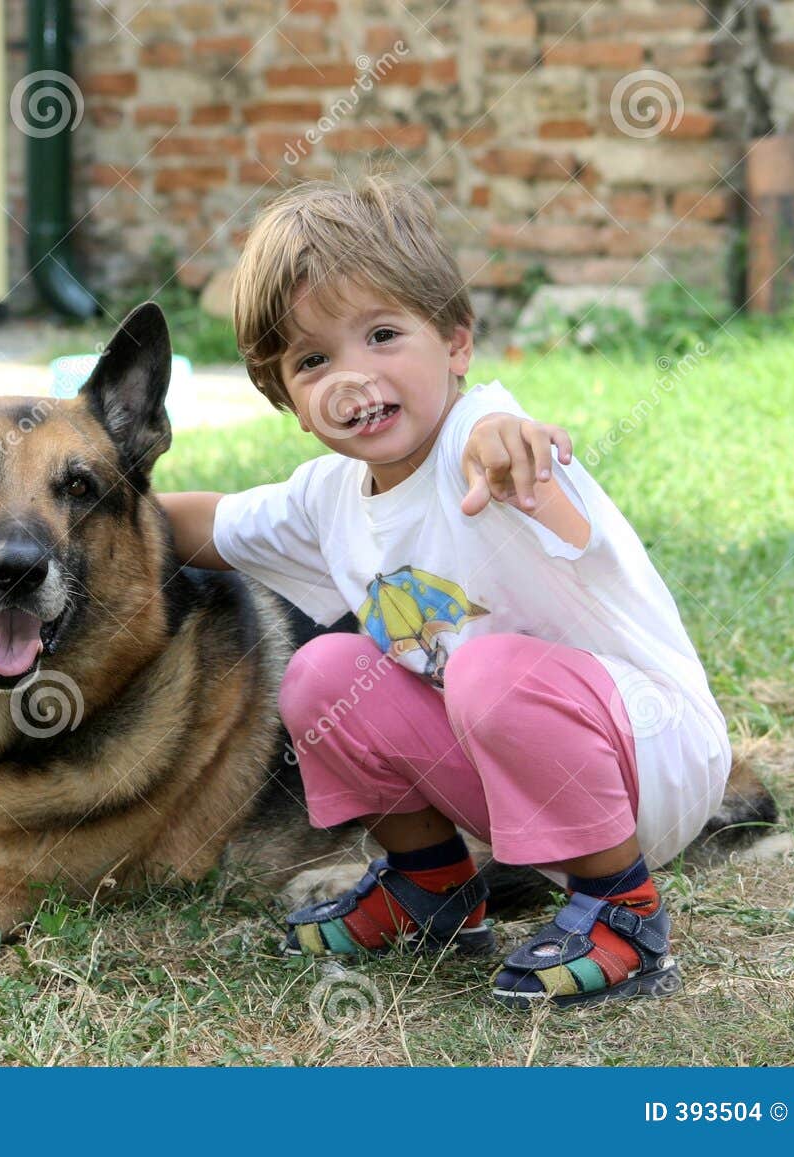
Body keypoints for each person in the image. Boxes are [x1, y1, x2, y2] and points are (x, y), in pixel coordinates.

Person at [157, 174, 732, 1008]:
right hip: (518, 777)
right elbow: (209, 523)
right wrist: (84, 490)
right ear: (286, 396)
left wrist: (514, 449)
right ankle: (430, 891)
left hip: (653, 754)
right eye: (313, 360)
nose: (352, 377)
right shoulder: (329, 498)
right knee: (324, 671)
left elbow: (506, 439)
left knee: (484, 670)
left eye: (383, 334)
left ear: (456, 345)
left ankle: (624, 913)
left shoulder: (482, 435)